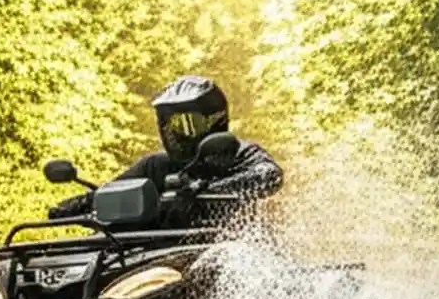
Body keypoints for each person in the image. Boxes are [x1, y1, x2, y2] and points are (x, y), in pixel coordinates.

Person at [47, 75, 283, 223]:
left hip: (230, 250)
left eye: (185, 124)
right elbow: (114, 190)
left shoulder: (239, 153)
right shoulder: (156, 166)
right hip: (157, 255)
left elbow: (269, 175)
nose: (174, 134)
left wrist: (205, 193)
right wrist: (75, 206)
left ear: (216, 121)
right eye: (167, 125)